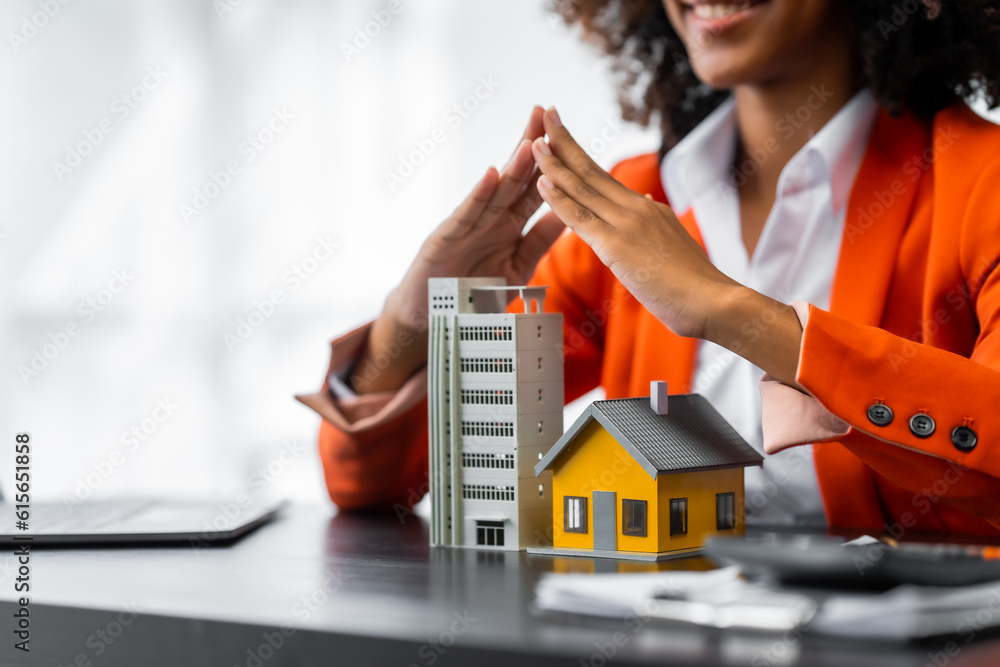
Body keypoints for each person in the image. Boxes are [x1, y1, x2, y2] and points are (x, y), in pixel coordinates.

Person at [297, 0, 1000, 534]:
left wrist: (731, 311)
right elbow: (382, 480)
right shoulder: (630, 210)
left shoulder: (981, 185)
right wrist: (411, 323)